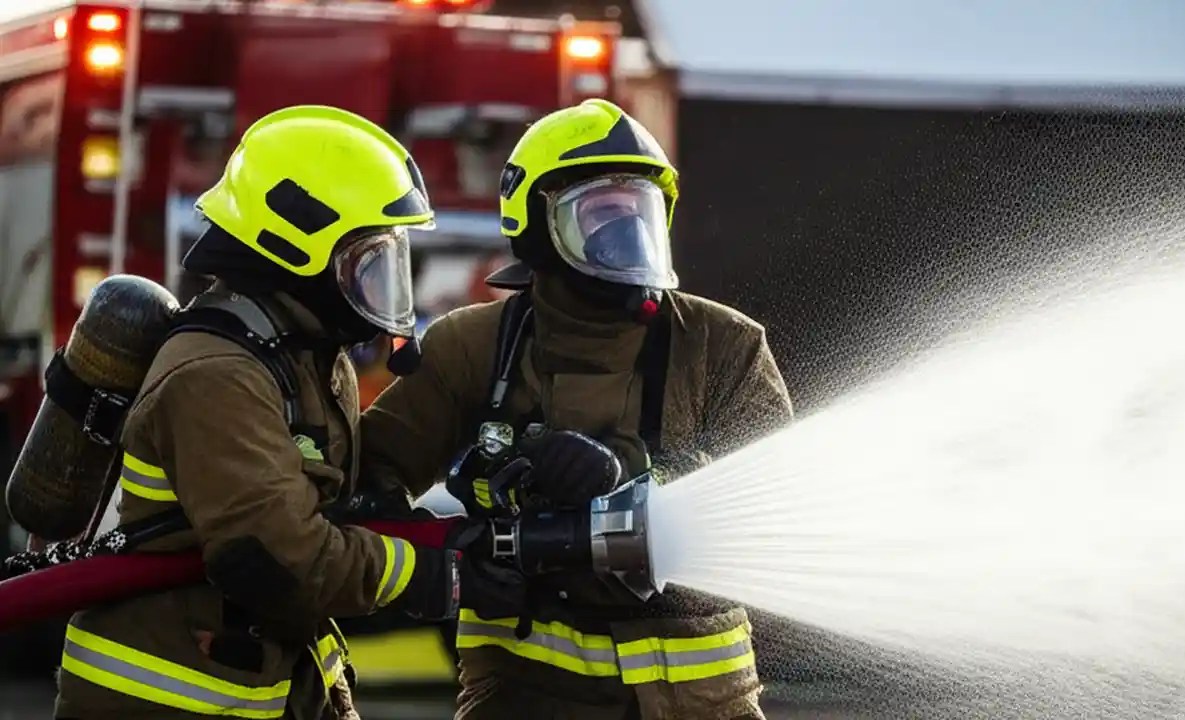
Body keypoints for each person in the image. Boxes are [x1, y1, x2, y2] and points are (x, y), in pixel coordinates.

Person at [359, 98, 794, 719]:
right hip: (521, 697)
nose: (629, 235)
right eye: (601, 213)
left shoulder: (721, 343)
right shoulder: (473, 345)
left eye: (640, 211)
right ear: (536, 225)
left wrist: (630, 476)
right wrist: (453, 554)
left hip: (699, 703)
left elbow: (774, 507)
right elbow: (370, 479)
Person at [54, 105, 457, 720]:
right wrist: (426, 573)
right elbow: (281, 559)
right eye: (367, 260)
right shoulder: (217, 375)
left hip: (259, 687)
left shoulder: (308, 358)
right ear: (296, 245)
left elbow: (317, 503)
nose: (384, 285)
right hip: (167, 698)